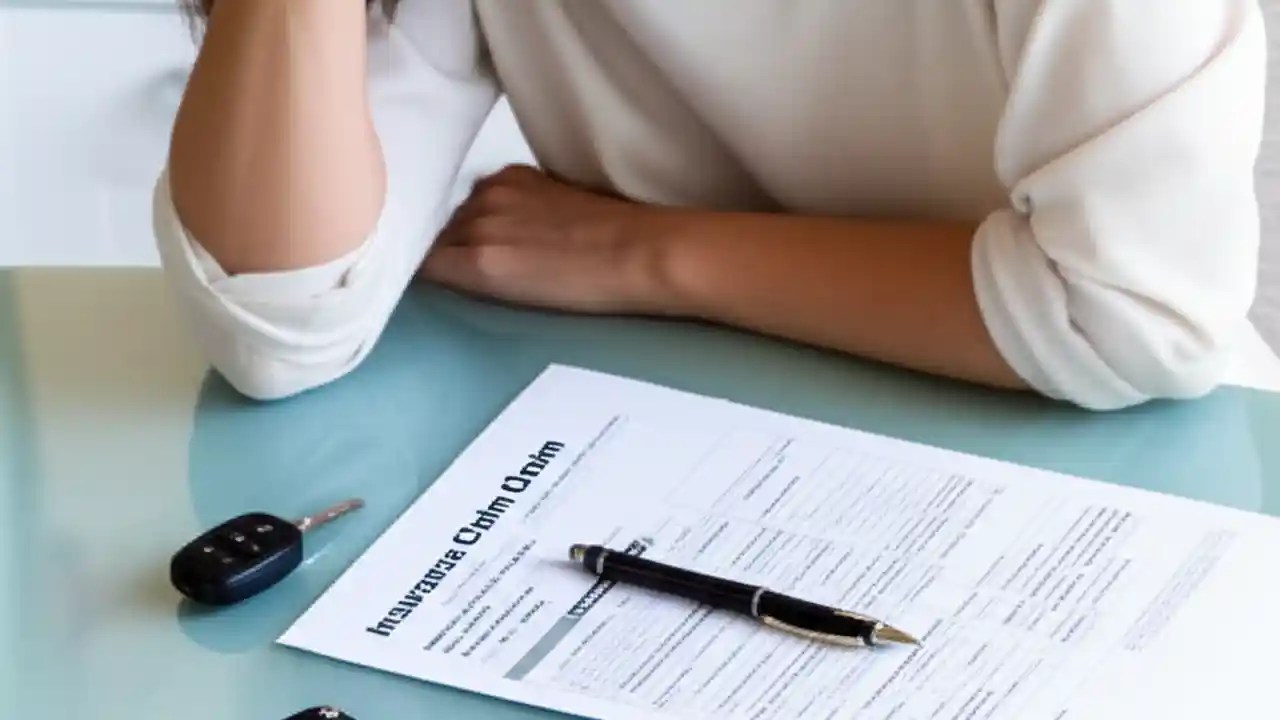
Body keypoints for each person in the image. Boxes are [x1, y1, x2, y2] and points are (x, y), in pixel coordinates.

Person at [154, 0, 1267, 411]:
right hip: (686, 453)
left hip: (1106, 478)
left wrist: (648, 254)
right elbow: (282, 314)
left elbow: (1129, 318)